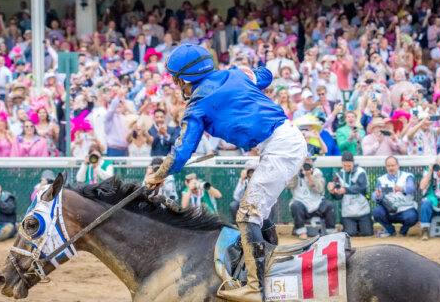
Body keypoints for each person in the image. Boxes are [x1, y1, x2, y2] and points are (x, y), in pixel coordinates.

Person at [144, 44, 307, 302]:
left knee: (247, 216)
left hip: (280, 147)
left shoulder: (197, 105)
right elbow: (265, 75)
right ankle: (267, 269)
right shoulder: (235, 74)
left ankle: (255, 288)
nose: (177, 85)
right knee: (257, 213)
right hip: (285, 139)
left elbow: (181, 153)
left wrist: (158, 176)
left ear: (184, 79)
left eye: (176, 80)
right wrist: (244, 77)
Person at [287, 157, 336, 239]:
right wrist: (296, 172)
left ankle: (330, 232)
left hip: (317, 203)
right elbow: (289, 185)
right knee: (295, 206)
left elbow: (319, 189)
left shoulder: (317, 172)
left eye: (309, 161)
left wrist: (309, 176)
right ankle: (301, 231)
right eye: (304, 161)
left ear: (312, 162)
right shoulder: (294, 171)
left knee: (329, 205)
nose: (306, 163)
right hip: (301, 203)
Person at [327, 152, 373, 236]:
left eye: (349, 166)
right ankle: (354, 227)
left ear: (353, 163)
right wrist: (333, 192)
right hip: (348, 213)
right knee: (350, 234)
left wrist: (345, 190)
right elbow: (338, 197)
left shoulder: (361, 172)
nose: (346, 168)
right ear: (342, 164)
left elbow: (360, 187)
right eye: (344, 165)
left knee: (367, 233)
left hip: (363, 210)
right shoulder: (339, 175)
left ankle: (359, 227)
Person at [372, 156, 418, 237]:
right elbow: (375, 194)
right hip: (389, 210)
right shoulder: (381, 179)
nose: (391, 168)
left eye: (393, 165)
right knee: (376, 211)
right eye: (388, 166)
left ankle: (403, 232)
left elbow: (411, 188)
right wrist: (377, 196)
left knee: (412, 216)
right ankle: (390, 231)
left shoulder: (407, 176)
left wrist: (402, 189)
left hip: (405, 209)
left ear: (398, 165)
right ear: (386, 167)